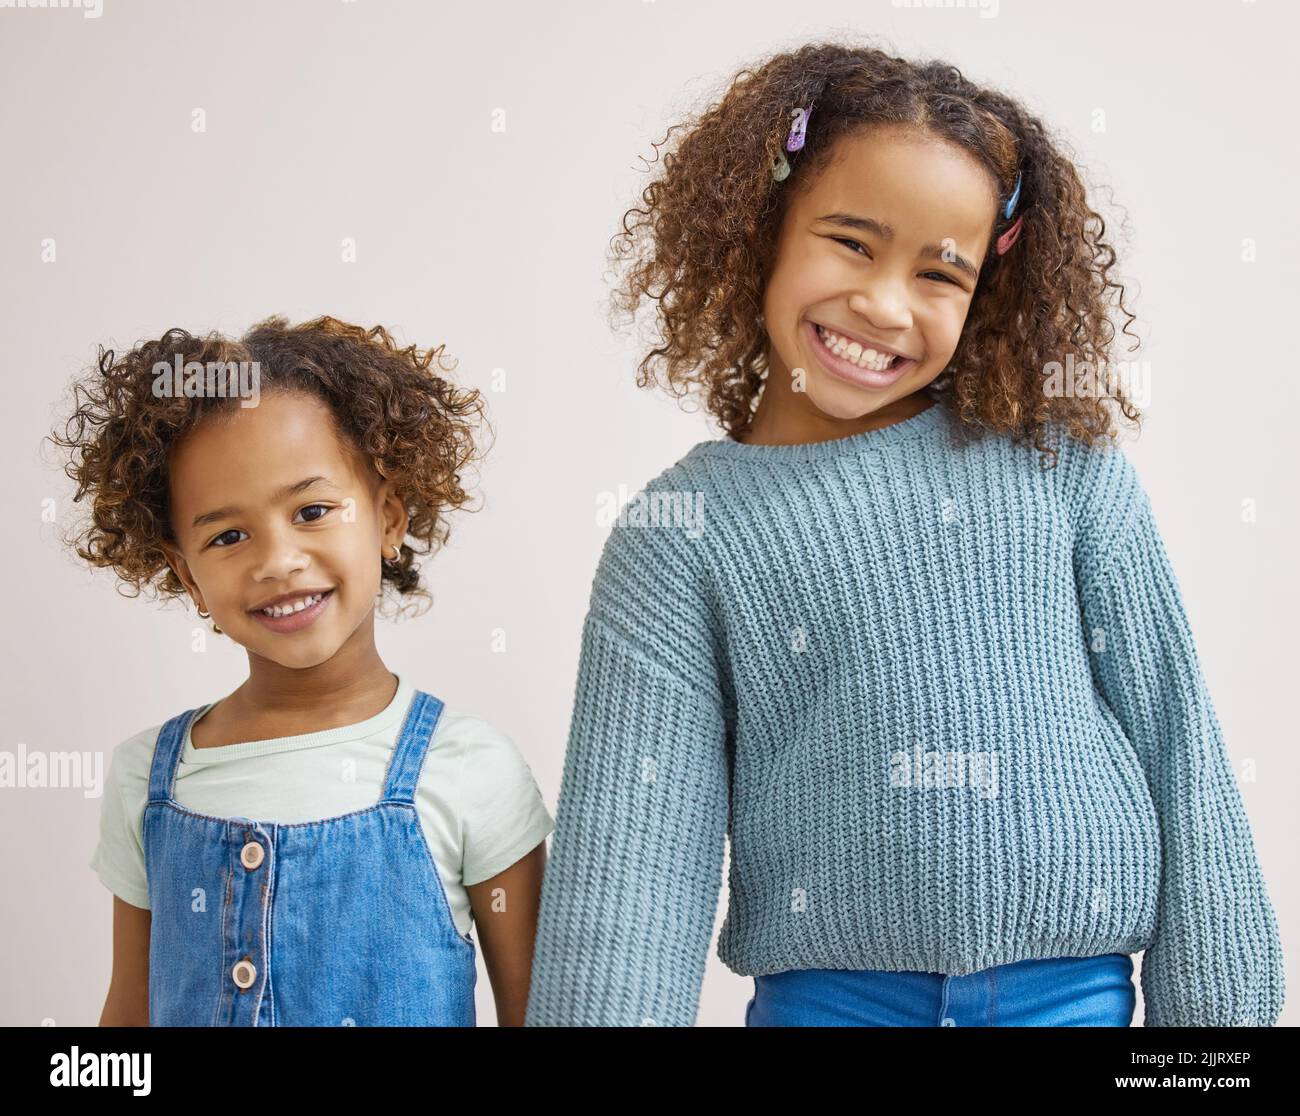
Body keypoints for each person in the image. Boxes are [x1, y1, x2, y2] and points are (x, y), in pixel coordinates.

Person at [523, 41, 1285, 1027]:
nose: (883, 305)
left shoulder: (1060, 467)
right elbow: (630, 873)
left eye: (939, 273)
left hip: (1074, 1002)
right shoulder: (678, 540)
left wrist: (1215, 1040)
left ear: (987, 291)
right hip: (829, 1008)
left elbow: (1181, 750)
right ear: (763, 229)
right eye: (850, 241)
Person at [52, 315, 553, 1025]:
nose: (277, 561)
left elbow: (539, 1010)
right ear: (186, 575)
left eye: (312, 510)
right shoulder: (146, 779)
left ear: (387, 517)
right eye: (227, 535)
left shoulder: (471, 769)